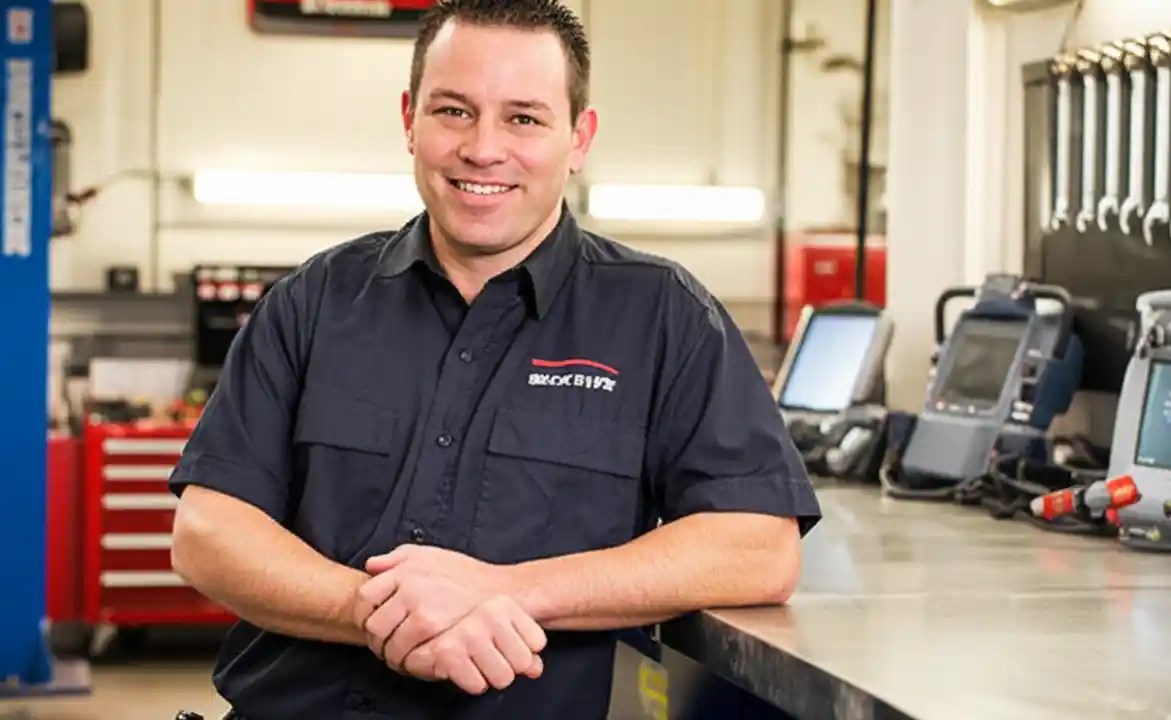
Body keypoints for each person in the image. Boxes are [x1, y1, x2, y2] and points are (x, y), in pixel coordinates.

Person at [168, 1, 822, 718]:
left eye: (523, 118)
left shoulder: (665, 316)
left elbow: (759, 547)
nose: (483, 148)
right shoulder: (313, 301)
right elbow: (207, 533)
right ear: (409, 120)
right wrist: (376, 610)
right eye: (454, 111)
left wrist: (508, 590)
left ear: (579, 137)